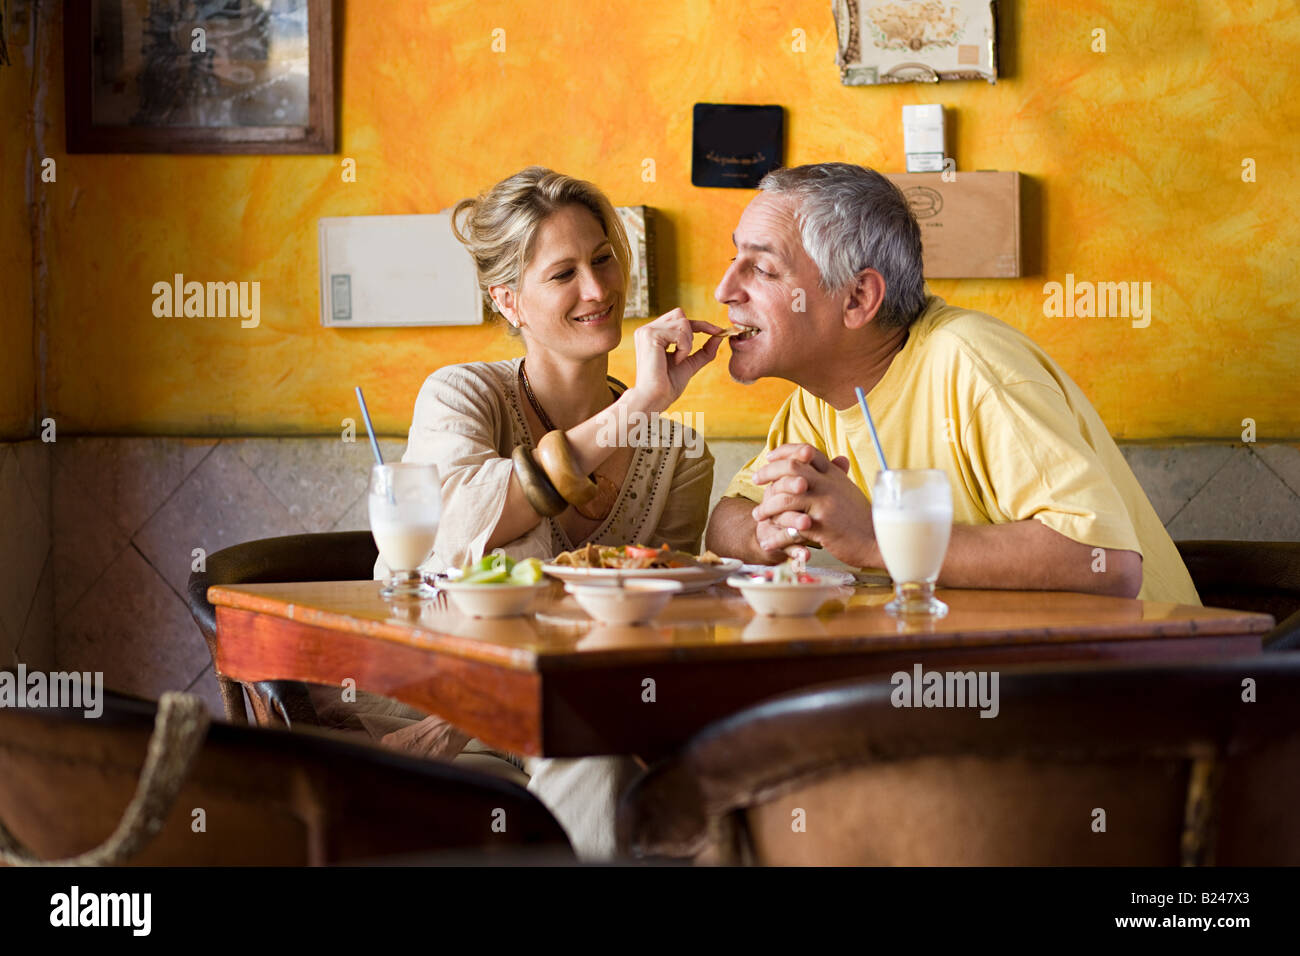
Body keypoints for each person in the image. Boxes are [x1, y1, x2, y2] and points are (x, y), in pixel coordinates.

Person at [311, 166, 724, 860]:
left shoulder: (676, 453)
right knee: (597, 763)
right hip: (428, 714)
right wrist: (636, 407)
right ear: (510, 301)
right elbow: (460, 525)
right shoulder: (462, 396)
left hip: (584, 718)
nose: (597, 290)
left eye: (603, 261)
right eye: (563, 274)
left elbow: (664, 626)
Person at [705, 162, 1200, 605]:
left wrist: (878, 538)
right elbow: (728, 517)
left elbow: (1108, 563)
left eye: (763, 268)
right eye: (734, 260)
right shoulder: (818, 399)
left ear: (857, 298)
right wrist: (767, 531)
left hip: (1137, 687)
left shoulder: (971, 360)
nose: (724, 290)